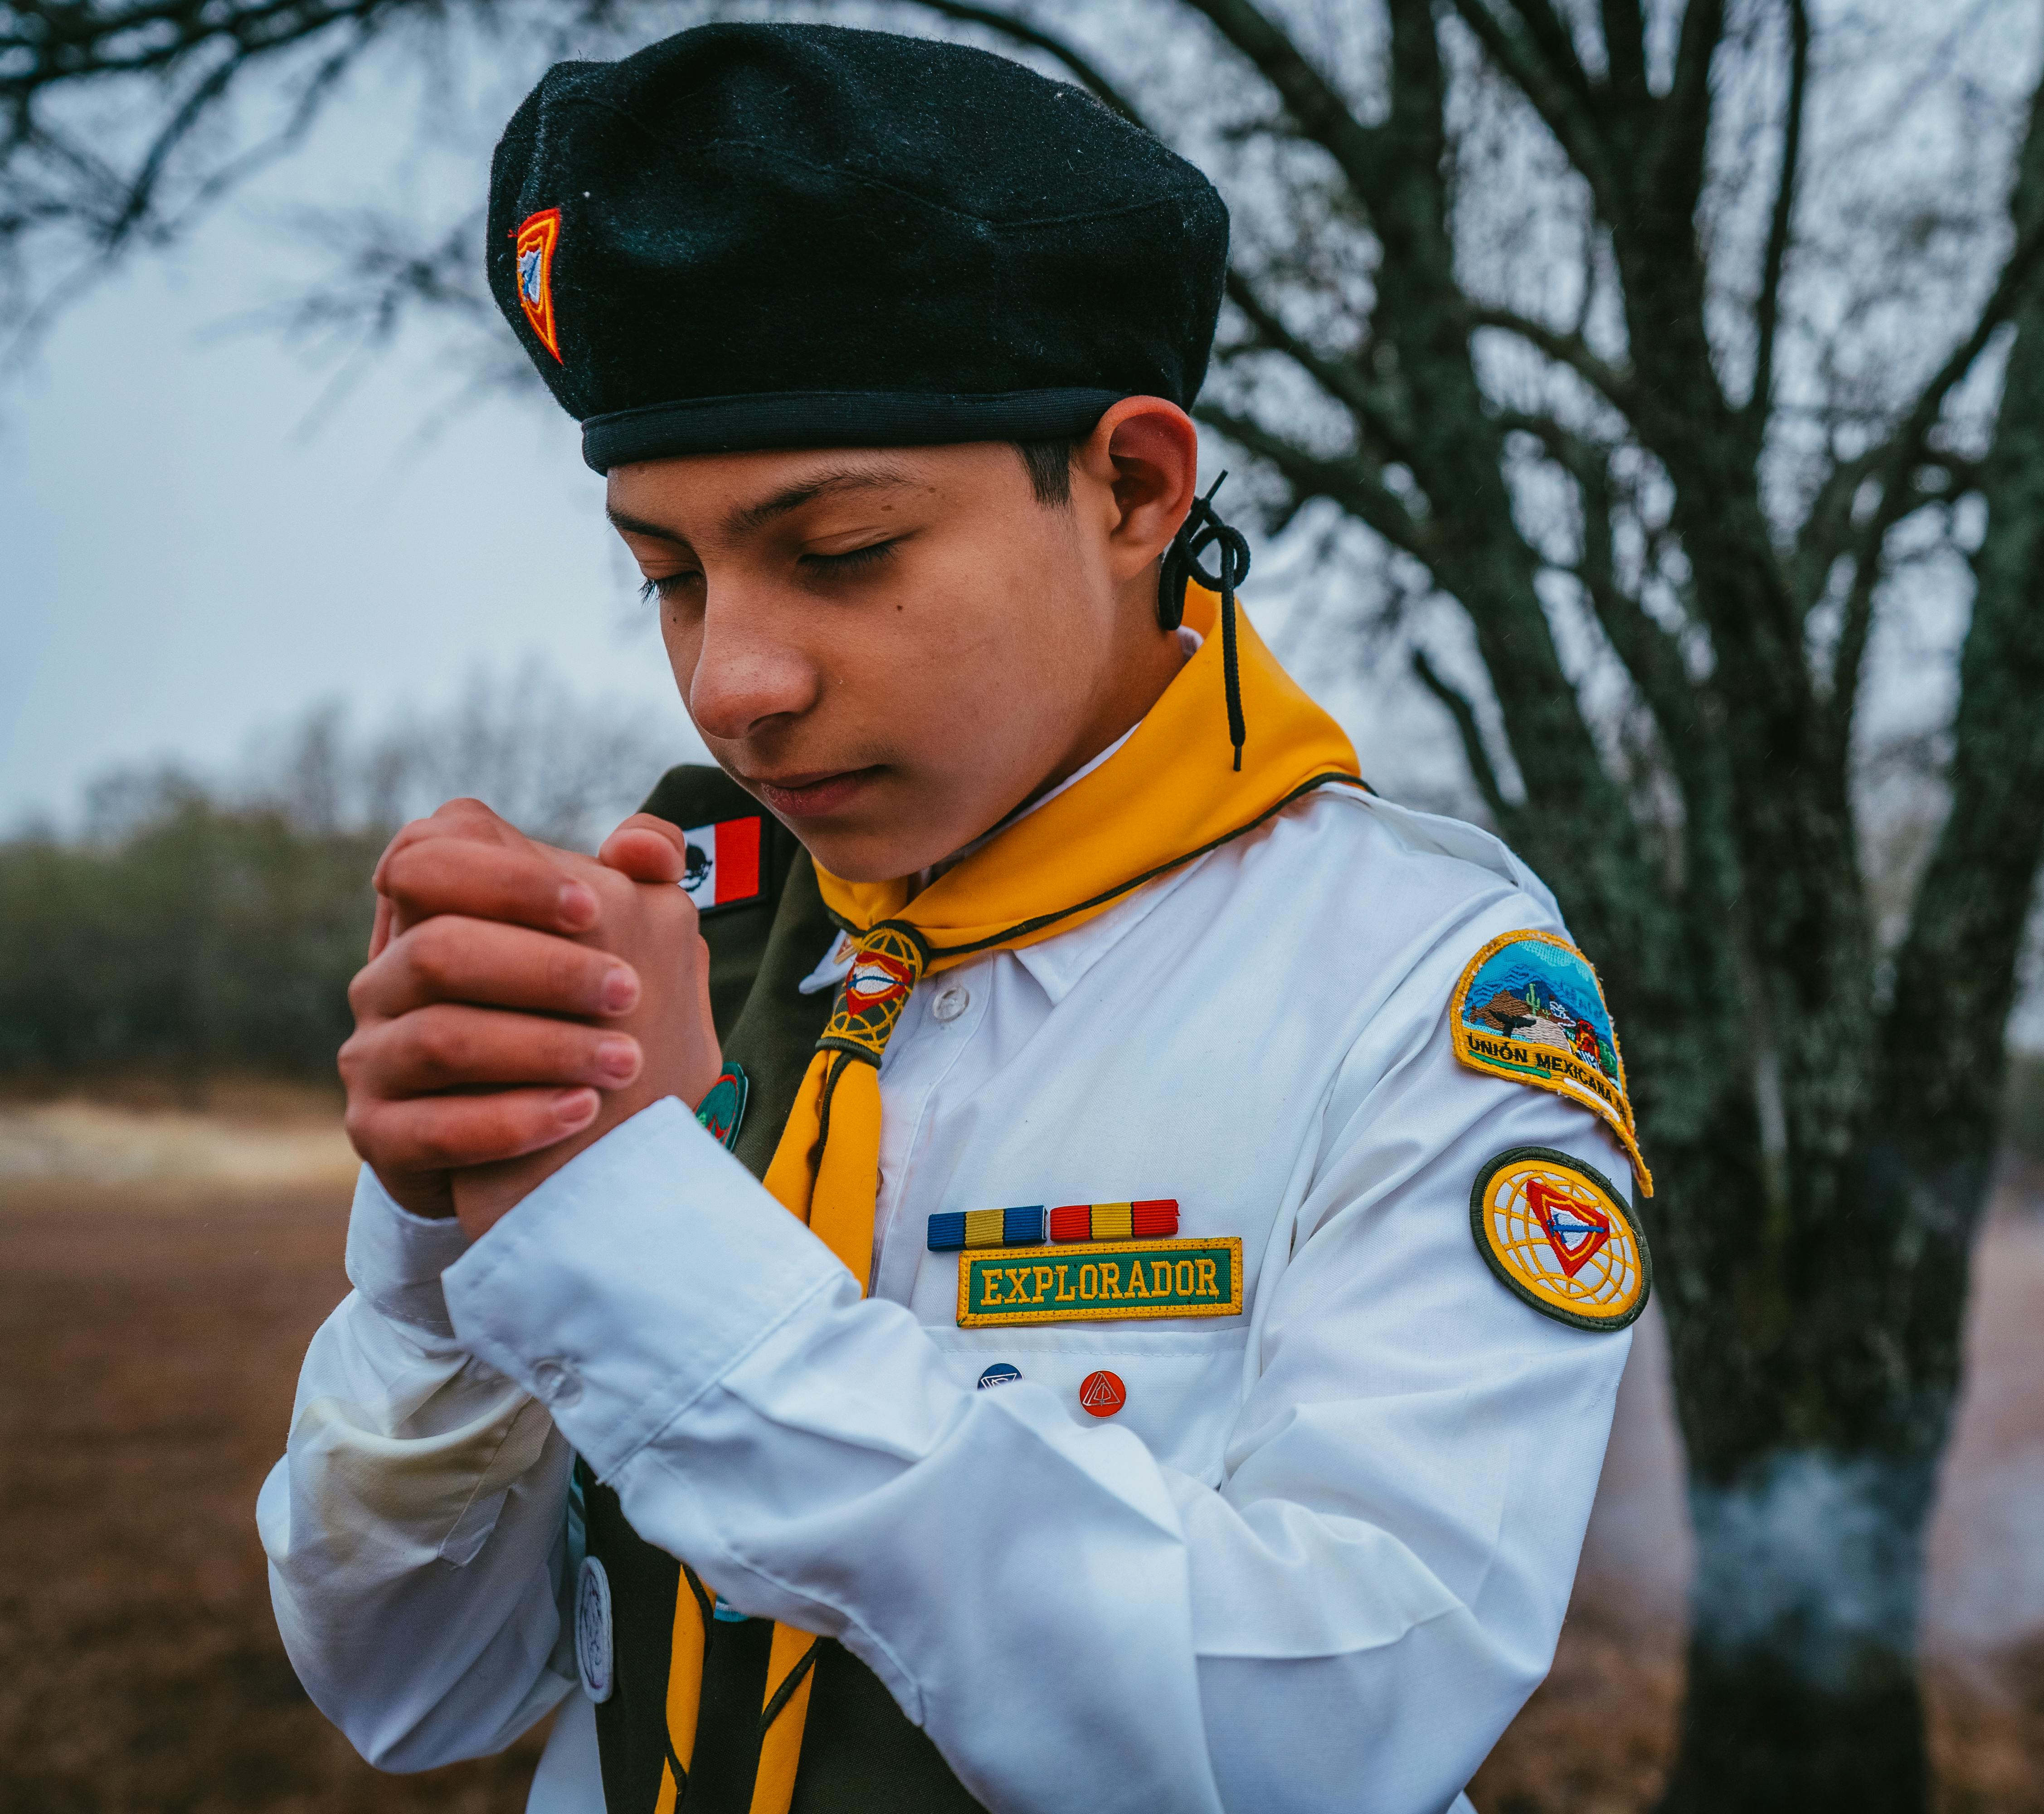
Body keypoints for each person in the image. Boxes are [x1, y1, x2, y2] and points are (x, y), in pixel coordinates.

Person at [258, 23, 1655, 1814]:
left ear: (1139, 486)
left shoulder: (1417, 977)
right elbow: (415, 1685)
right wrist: (447, 1246)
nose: (732, 688)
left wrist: (667, 1266)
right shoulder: (701, 934)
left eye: (838, 551)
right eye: (666, 577)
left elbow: (1328, 1743)